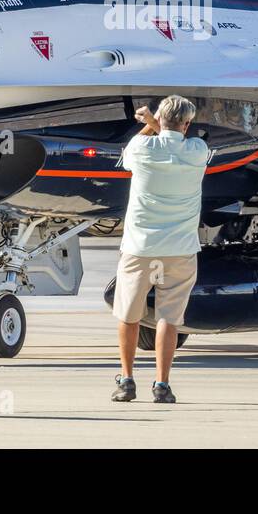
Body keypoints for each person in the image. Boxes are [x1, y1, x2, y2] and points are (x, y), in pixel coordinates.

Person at [111, 95, 211, 404]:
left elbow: (127, 155)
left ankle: (127, 381)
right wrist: (157, 123)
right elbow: (178, 140)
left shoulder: (142, 149)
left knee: (128, 315)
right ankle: (162, 385)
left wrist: (149, 125)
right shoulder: (197, 151)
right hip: (179, 248)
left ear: (159, 118)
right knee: (169, 317)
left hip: (140, 246)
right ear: (187, 123)